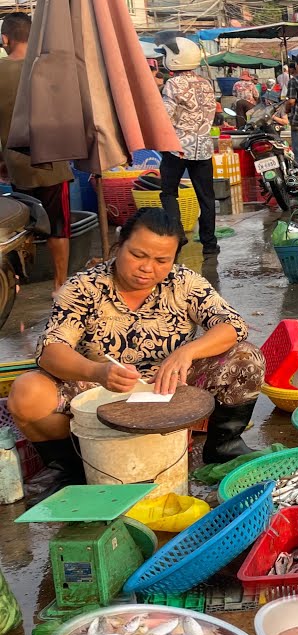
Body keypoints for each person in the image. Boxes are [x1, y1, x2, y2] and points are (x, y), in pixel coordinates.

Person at [7, 208, 266, 484]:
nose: (147, 268)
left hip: (171, 388)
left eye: (161, 260)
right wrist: (97, 373)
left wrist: (186, 353)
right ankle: (74, 465)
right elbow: (51, 351)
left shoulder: (183, 282)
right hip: (102, 391)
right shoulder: (83, 287)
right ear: (119, 245)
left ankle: (223, 447)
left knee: (246, 357)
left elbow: (233, 325)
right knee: (27, 393)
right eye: (137, 255)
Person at [0, 12, 73, 291]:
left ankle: (17, 282)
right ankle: (60, 284)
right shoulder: (51, 69)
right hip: (53, 164)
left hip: (16, 164)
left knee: (22, 223)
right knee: (58, 226)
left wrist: (2, 159)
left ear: (6, 38)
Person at [156, 37, 220, 255]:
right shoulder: (206, 83)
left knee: (168, 193)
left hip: (177, 147)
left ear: (174, 58)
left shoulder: (173, 84)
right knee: (206, 197)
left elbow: (165, 116)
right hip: (203, 147)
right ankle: (210, 244)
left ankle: (178, 233)